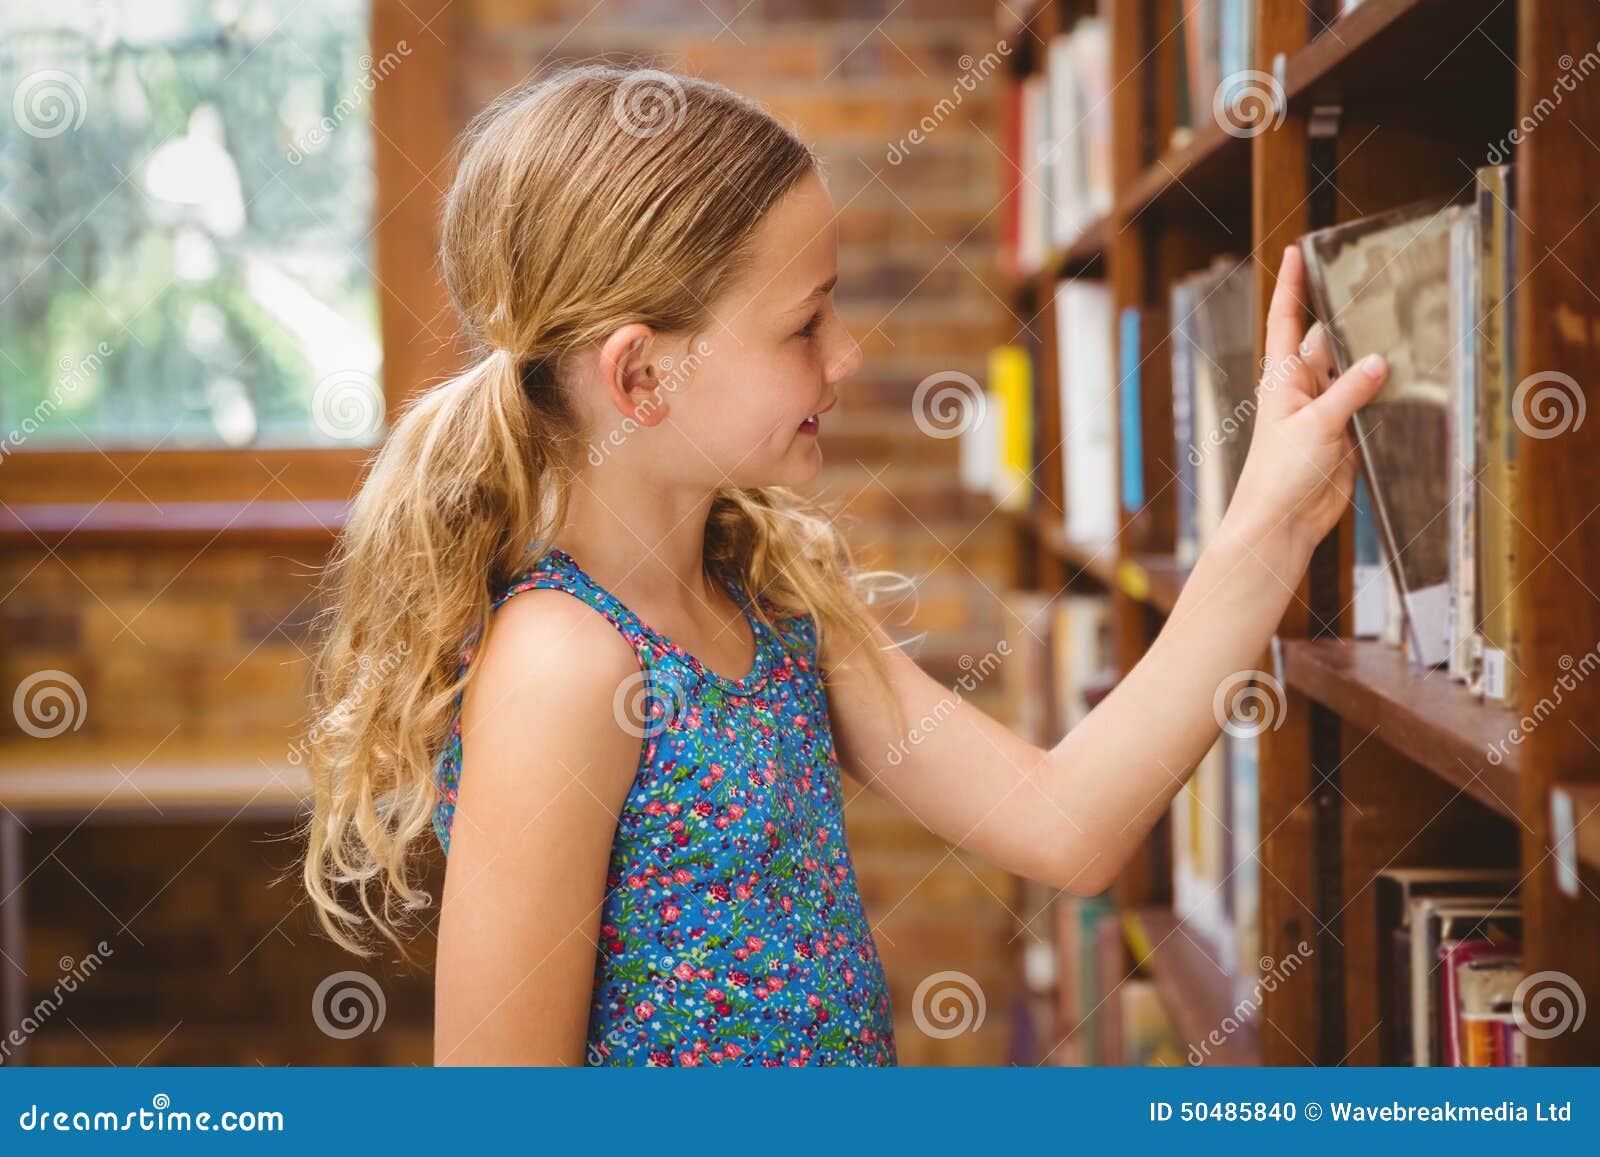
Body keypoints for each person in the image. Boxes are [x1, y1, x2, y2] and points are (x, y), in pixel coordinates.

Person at [300, 65, 1387, 1067]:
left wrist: (1273, 516)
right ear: (639, 378)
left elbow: (1067, 823)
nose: (847, 351)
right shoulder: (559, 666)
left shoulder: (771, 600)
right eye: (802, 323)